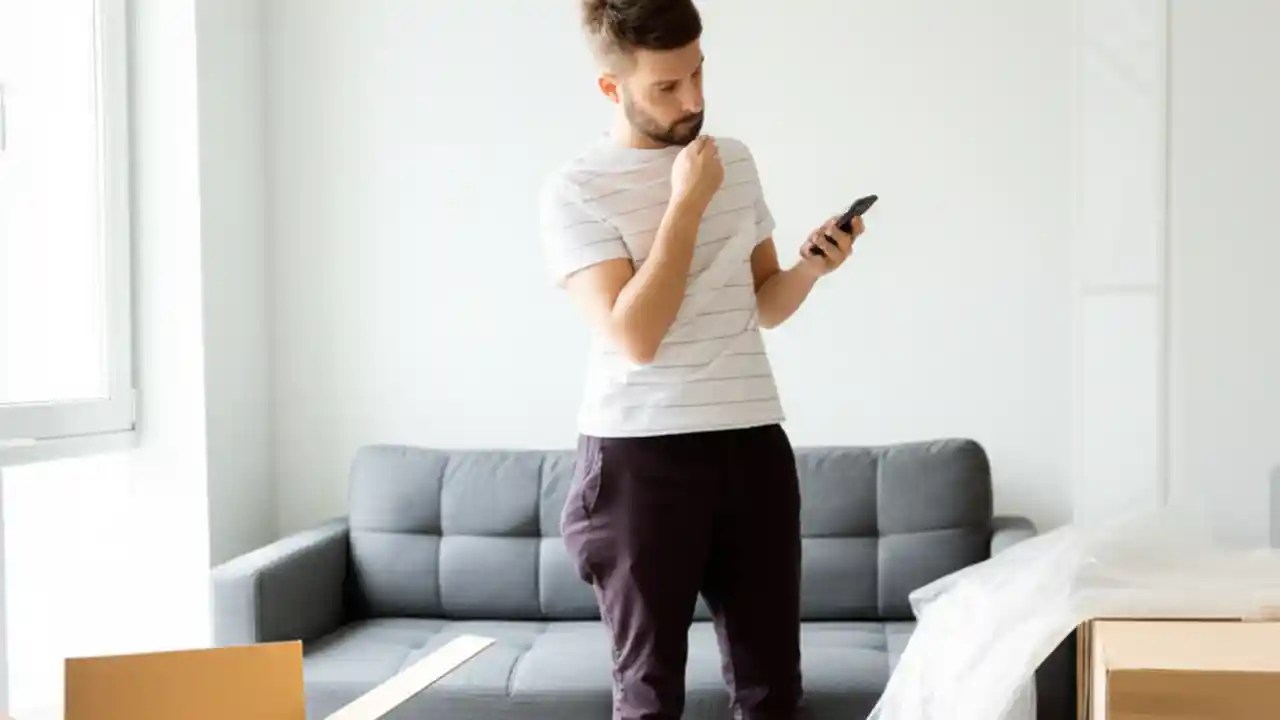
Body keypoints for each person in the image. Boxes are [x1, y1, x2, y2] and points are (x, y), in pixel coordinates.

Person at [539, 1, 866, 718]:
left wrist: (812, 269)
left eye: (698, 75)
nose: (694, 101)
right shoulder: (576, 191)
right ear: (611, 88)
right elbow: (635, 337)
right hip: (638, 460)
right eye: (666, 87)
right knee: (650, 698)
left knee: (773, 692)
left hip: (752, 444)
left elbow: (764, 303)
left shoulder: (734, 162)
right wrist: (684, 203)